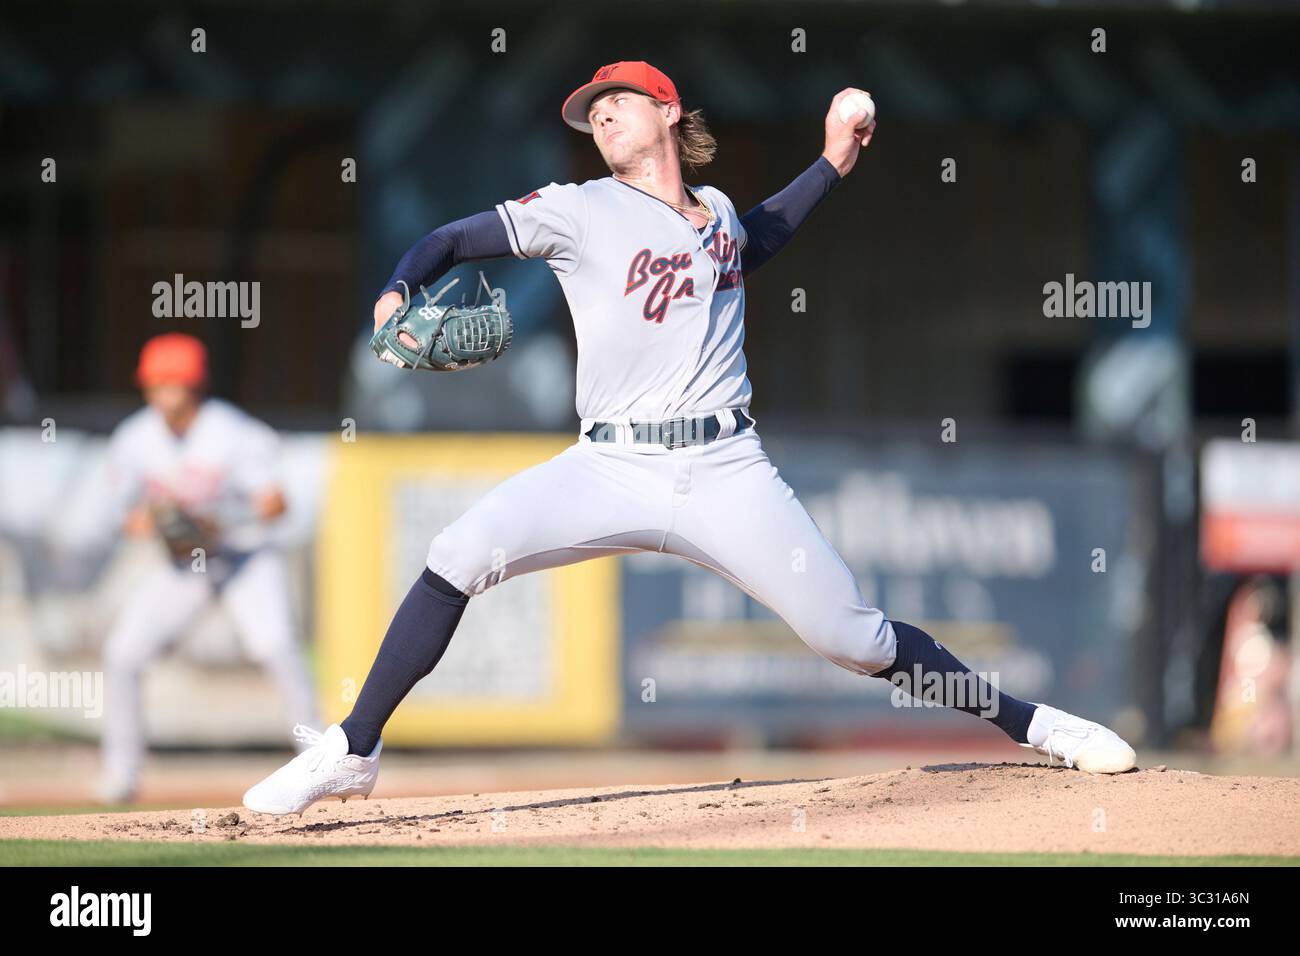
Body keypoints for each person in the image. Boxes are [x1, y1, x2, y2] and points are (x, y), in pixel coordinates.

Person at [244, 61, 1135, 816]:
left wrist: (833, 158)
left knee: (852, 639)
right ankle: (353, 747)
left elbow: (761, 236)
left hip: (723, 467)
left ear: (667, 111)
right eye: (590, 111)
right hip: (610, 462)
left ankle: (1038, 725)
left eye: (616, 101)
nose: (599, 115)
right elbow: (451, 237)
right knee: (457, 549)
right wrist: (398, 289)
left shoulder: (713, 212)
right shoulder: (577, 208)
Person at [97, 333, 318, 803]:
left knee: (276, 648)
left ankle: (317, 758)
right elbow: (128, 518)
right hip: (186, 567)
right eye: (154, 385)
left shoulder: (234, 433)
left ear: (194, 385)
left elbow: (276, 504)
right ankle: (122, 772)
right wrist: (162, 522)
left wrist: (218, 521)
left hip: (245, 556)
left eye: (170, 384)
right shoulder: (134, 438)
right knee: (123, 653)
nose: (160, 394)